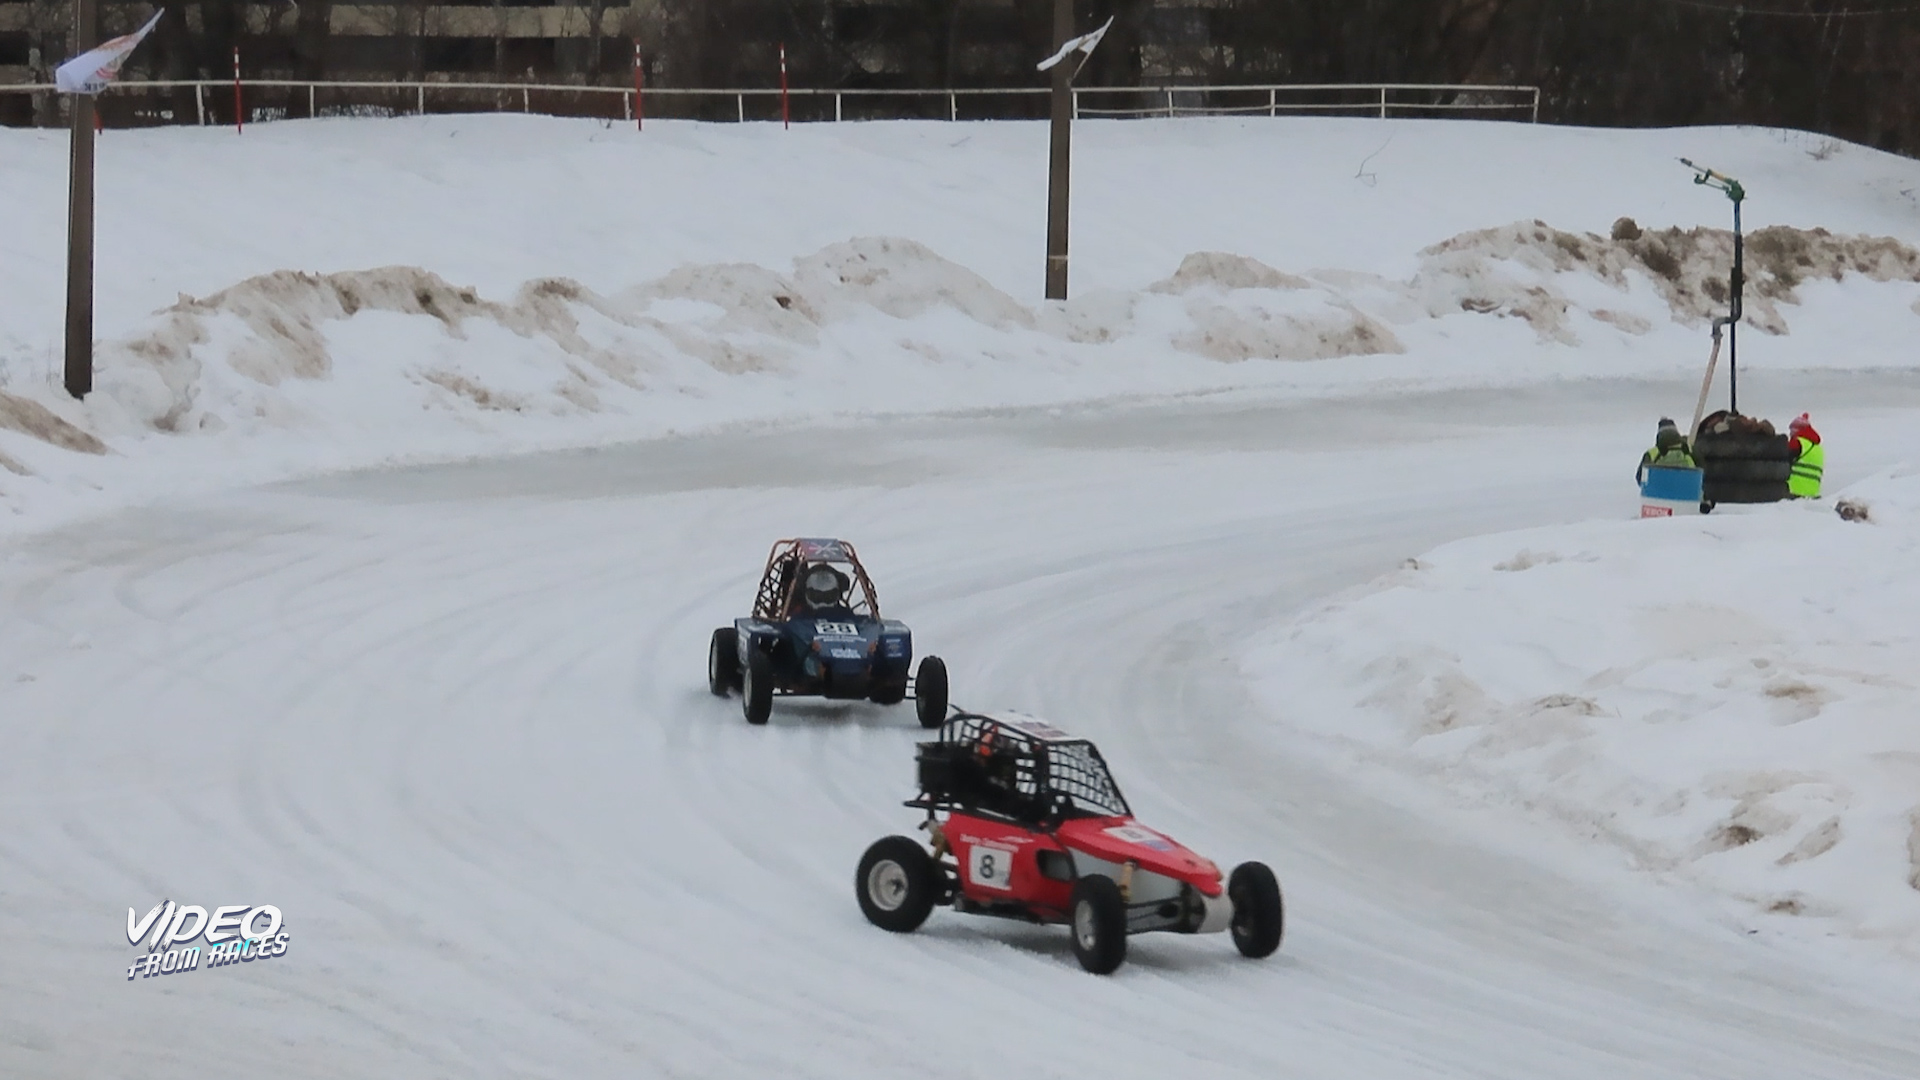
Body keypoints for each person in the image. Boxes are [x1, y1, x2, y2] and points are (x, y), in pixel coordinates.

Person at [1636, 417, 1695, 485]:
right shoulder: (1689, 449)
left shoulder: (1652, 453)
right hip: (1687, 491)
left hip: (1659, 492)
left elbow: (1640, 478)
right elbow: (1702, 471)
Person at [1787, 413, 1824, 498]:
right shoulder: (1818, 448)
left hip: (1795, 491)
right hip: (1813, 494)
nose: (1790, 434)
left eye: (1792, 431)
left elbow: (1782, 456)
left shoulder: (1797, 443)